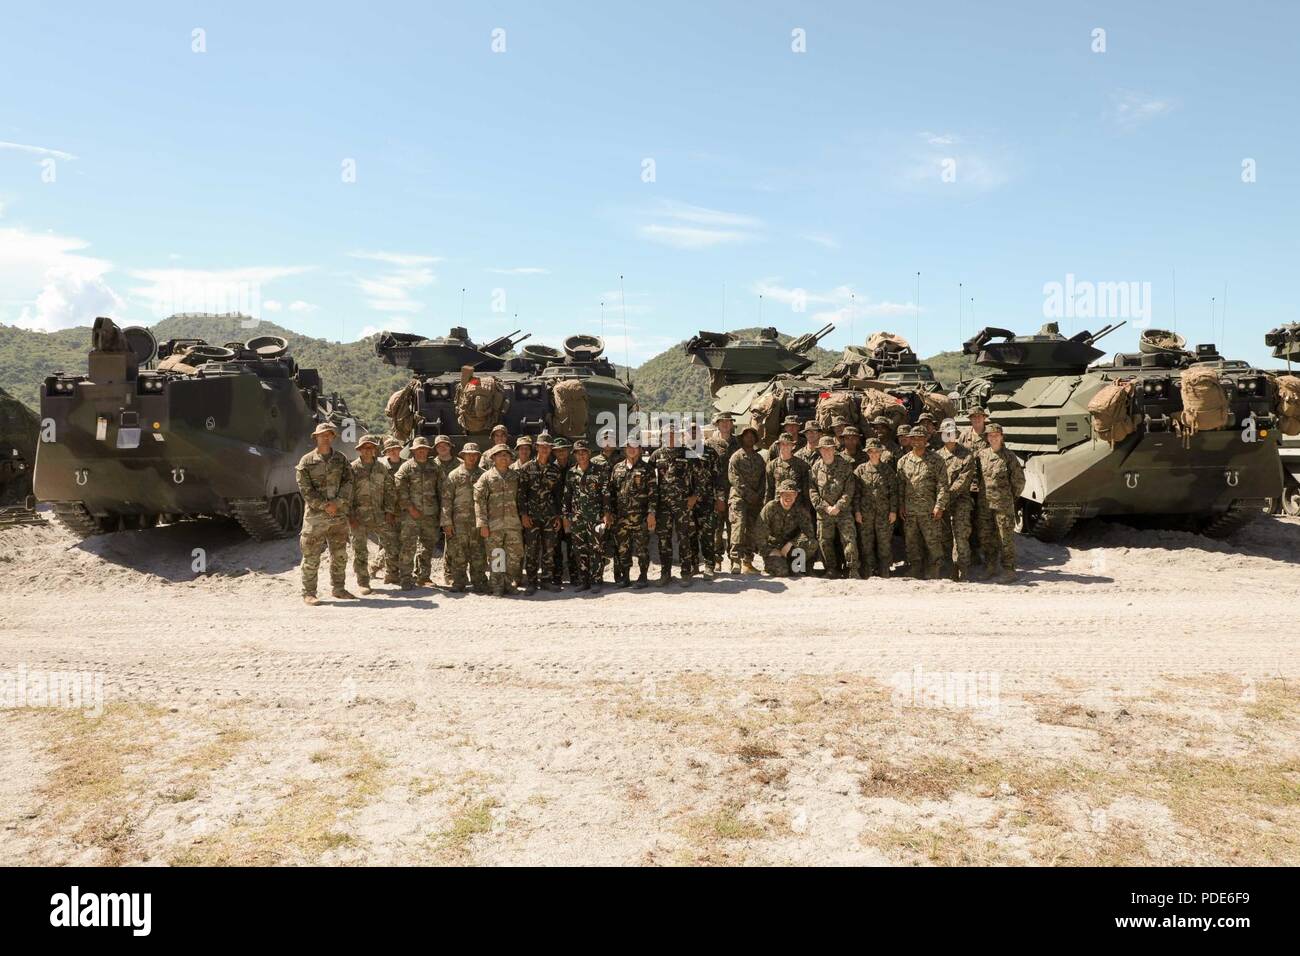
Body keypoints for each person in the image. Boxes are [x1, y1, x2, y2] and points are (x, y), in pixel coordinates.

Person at [295, 422, 354, 605]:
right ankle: (309, 593)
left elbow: (348, 482)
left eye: (329, 434)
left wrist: (337, 503)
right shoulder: (307, 461)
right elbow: (305, 489)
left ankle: (339, 588)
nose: (326, 437)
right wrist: (323, 505)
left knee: (339, 554)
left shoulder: (341, 459)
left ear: (333, 437)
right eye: (322, 435)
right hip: (316, 517)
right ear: (316, 437)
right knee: (311, 555)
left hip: (338, 515)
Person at [976, 422, 1026, 583]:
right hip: (985, 504)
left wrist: (1010, 497)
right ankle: (990, 566)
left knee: (1005, 538)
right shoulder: (981, 455)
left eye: (996, 435)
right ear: (987, 438)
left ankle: (1009, 570)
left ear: (1002, 437)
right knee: (986, 537)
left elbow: (1019, 481)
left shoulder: (1009, 457)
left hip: (1003, 505)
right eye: (990, 435)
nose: (993, 438)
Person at [897, 425, 949, 579]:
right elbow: (900, 486)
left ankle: (934, 568)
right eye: (914, 438)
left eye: (921, 438)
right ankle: (915, 568)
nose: (917, 441)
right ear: (910, 440)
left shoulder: (936, 460)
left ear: (926, 439)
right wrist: (901, 505)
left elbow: (943, 485)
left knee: (932, 541)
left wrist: (939, 506)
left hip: (929, 510)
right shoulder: (903, 461)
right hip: (910, 511)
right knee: (912, 542)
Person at [348, 434, 397, 595]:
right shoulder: (353, 469)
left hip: (379, 514)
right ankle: (363, 582)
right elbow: (346, 494)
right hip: (359, 516)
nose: (368, 450)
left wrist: (389, 511)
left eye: (371, 447)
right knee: (360, 550)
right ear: (360, 450)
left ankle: (390, 574)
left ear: (375, 450)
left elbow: (390, 491)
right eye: (365, 448)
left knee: (392, 541)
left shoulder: (382, 468)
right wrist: (350, 516)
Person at [649, 425, 698, 587]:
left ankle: (686, 572)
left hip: (683, 504)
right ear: (662, 437)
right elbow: (649, 480)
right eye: (667, 435)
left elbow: (700, 477)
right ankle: (665, 573)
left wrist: (694, 496)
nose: (671, 438)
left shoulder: (688, 454)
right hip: (663, 505)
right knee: (664, 539)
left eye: (674, 435)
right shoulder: (656, 456)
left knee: (684, 537)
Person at [474, 443, 524, 596]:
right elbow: (479, 501)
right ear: (493, 458)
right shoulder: (486, 477)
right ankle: (496, 586)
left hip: (513, 524)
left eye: (506, 455)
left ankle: (509, 584)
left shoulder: (516, 477)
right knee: (496, 556)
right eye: (500, 455)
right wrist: (482, 524)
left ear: (510, 458)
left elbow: (522, 500)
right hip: (493, 525)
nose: (504, 457)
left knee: (513, 556)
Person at [607, 434, 656, 588]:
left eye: (635, 447)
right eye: (629, 447)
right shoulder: (617, 468)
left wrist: (651, 514)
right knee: (623, 549)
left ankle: (642, 576)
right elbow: (611, 493)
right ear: (624, 449)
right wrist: (610, 513)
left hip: (640, 518)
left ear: (640, 449)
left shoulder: (647, 469)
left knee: (642, 549)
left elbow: (653, 494)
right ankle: (625, 577)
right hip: (621, 518)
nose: (632, 449)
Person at [395, 436, 444, 589]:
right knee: (408, 546)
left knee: (427, 547)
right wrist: (410, 508)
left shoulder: (435, 467)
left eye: (424, 449)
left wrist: (441, 512)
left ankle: (423, 577)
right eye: (418, 450)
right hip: (411, 515)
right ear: (413, 451)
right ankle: (405, 578)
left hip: (430, 514)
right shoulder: (406, 467)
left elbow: (441, 490)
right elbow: (400, 489)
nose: (421, 452)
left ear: (428, 451)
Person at [518, 433, 564, 594]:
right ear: (536, 447)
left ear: (551, 449)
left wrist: (558, 516)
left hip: (550, 516)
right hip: (532, 517)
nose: (545, 449)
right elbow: (521, 494)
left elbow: (559, 495)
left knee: (549, 549)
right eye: (542, 446)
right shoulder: (526, 469)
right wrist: (523, 515)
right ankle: (531, 581)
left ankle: (546, 580)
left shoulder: (555, 470)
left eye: (548, 447)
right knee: (531, 549)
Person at [439, 442, 488, 593]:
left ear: (478, 456)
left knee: (478, 553)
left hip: (478, 522)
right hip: (458, 523)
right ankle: (458, 582)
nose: (472, 457)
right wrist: (446, 522)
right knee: (458, 554)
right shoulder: (454, 475)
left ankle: (479, 582)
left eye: (475, 455)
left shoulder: (484, 475)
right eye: (469, 454)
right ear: (463, 456)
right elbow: (446, 500)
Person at [809, 435, 859, 578]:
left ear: (834, 449)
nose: (826, 451)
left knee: (849, 539)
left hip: (843, 512)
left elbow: (849, 489)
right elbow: (812, 491)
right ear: (819, 450)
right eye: (823, 449)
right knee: (824, 541)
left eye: (829, 449)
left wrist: (838, 506)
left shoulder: (845, 465)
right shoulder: (816, 468)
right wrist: (825, 507)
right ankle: (831, 569)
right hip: (824, 513)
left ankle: (853, 569)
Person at [563, 440, 606, 591]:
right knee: (580, 550)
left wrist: (606, 514)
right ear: (574, 455)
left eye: (584, 452)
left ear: (589, 453)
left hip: (595, 518)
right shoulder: (571, 472)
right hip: (577, 518)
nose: (581, 455)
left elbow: (605, 494)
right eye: (578, 453)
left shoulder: (599, 471)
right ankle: (584, 580)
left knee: (596, 549)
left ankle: (596, 581)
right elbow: (567, 496)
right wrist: (566, 517)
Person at [936, 418, 975, 581]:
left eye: (951, 433)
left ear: (956, 435)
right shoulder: (936, 456)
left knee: (960, 536)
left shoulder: (966, 455)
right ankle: (950, 568)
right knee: (944, 536)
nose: (948, 435)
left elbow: (963, 481)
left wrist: (944, 497)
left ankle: (963, 569)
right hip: (941, 504)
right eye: (945, 433)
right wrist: (940, 501)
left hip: (960, 502)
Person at [853, 439, 898, 578]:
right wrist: (857, 511)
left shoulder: (887, 470)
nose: (874, 454)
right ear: (867, 453)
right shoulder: (860, 470)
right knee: (866, 543)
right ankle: (868, 569)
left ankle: (884, 569)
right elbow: (856, 493)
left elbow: (894, 492)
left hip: (884, 513)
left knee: (884, 542)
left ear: (881, 453)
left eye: (877, 451)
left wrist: (893, 511)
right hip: (866, 514)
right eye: (871, 451)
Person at [753, 480, 817, 577]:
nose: (788, 497)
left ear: (796, 495)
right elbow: (759, 533)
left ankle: (797, 567)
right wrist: (769, 551)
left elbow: (809, 533)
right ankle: (781, 565)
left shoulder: (800, 510)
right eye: (785, 494)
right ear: (780, 494)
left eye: (792, 494)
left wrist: (792, 543)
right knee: (781, 572)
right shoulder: (770, 508)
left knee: (812, 543)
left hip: (791, 548)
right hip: (774, 547)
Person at [684, 419, 721, 579]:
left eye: (696, 431)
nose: (693, 433)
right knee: (690, 534)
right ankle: (694, 565)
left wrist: (720, 499)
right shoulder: (681, 452)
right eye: (690, 431)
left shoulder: (710, 452)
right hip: (686, 503)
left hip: (706, 501)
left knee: (707, 534)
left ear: (700, 433)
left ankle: (709, 565)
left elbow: (718, 477)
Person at [727, 425, 766, 573]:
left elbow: (764, 479)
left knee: (752, 530)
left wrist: (759, 494)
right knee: (738, 527)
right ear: (742, 439)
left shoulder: (758, 459)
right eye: (746, 436)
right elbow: (734, 479)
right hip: (739, 498)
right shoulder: (736, 457)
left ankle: (747, 562)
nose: (749, 438)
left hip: (755, 500)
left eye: (752, 436)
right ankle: (735, 560)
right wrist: (750, 494)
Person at [706, 412, 739, 571]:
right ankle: (716, 559)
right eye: (722, 422)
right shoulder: (710, 444)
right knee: (717, 528)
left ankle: (735, 559)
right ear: (717, 424)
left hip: (734, 490)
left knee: (735, 525)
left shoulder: (738, 443)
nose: (726, 424)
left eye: (728, 422)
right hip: (716, 491)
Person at [374, 436, 406, 584]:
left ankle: (384, 569)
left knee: (399, 541)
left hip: (403, 510)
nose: (394, 452)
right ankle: (384, 570)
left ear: (400, 450)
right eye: (390, 450)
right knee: (388, 542)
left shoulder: (406, 466)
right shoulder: (381, 467)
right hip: (385, 510)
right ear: (386, 452)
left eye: (396, 449)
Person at [764, 433, 810, 504]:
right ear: (778, 446)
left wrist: (806, 510)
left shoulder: (802, 465)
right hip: (778, 506)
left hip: (797, 506)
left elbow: (806, 492)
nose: (785, 447)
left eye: (788, 444)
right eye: (782, 444)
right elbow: (769, 490)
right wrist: (767, 507)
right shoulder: (771, 465)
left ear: (793, 446)